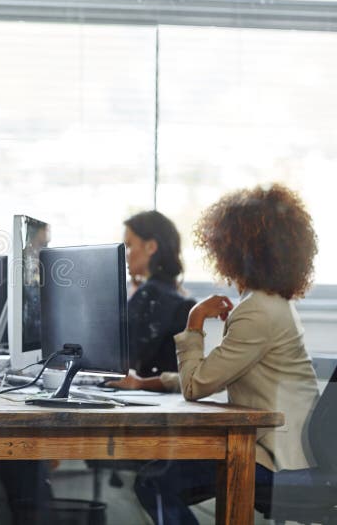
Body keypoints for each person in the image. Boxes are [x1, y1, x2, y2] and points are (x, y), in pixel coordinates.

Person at [133, 183, 320, 524]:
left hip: (277, 462)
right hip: (282, 450)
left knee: (154, 481)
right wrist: (146, 384)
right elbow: (215, 376)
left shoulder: (258, 310)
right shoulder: (271, 302)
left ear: (235, 249)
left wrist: (194, 322)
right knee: (161, 477)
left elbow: (196, 386)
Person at [107, 211, 194, 392]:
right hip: (172, 397)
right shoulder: (178, 295)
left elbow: (122, 360)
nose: (126, 254)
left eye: (129, 246)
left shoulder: (150, 295)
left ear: (151, 247)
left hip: (144, 397)